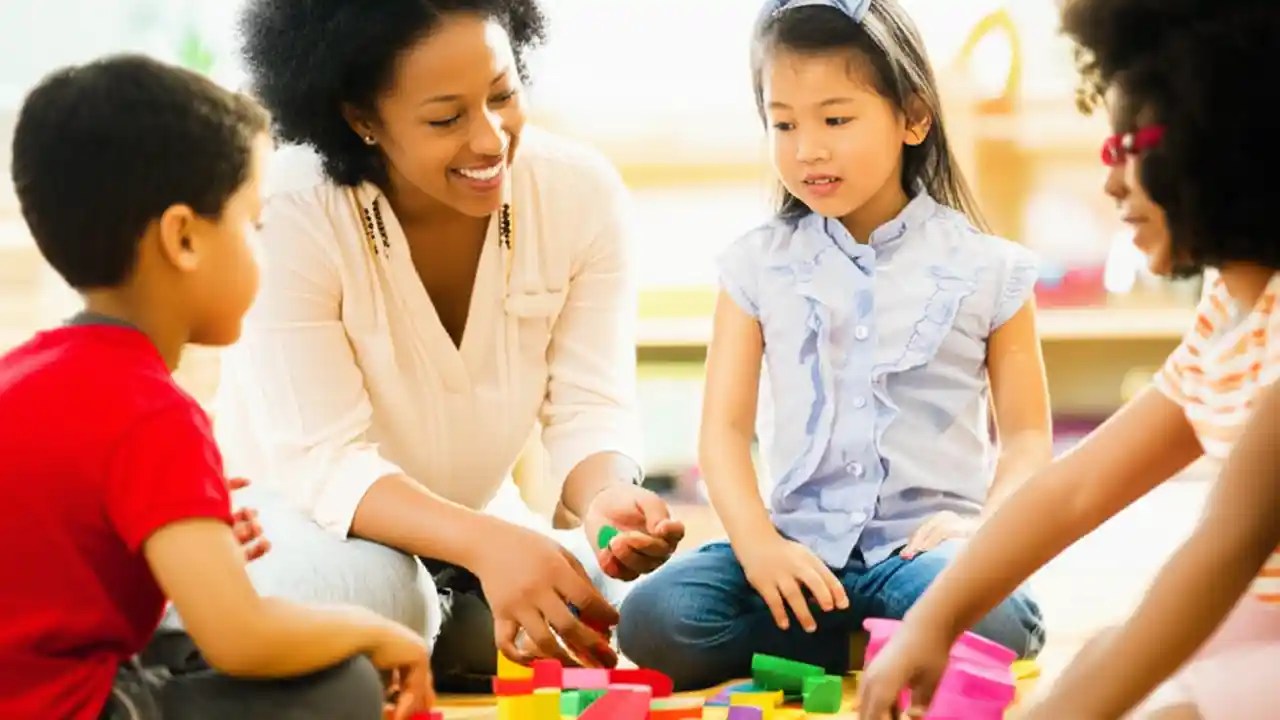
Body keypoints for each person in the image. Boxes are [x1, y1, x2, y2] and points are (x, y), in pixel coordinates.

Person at [212, 0, 684, 686]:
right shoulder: (288, 211)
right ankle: (439, 620)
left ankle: (444, 623)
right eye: (446, 118)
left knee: (597, 594)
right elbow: (325, 464)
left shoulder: (580, 194)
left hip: (473, 526)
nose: (491, 140)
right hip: (303, 525)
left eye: (503, 95)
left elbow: (590, 405)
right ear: (361, 117)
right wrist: (490, 547)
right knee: (385, 591)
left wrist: (607, 499)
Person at [857, 1, 1280, 717]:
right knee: (1105, 655)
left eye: (1128, 149)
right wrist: (931, 620)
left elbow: (1222, 546)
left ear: (1217, 141)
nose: (1111, 182)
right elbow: (1074, 490)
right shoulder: (1229, 314)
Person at [616, 0, 1050, 691]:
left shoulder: (991, 270)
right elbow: (723, 437)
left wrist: (983, 533)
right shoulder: (754, 267)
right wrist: (758, 550)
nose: (806, 148)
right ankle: (872, 644)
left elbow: (1027, 439)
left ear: (913, 116)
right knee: (655, 619)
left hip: (921, 554)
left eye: (835, 119)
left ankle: (844, 641)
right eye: (783, 123)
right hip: (796, 548)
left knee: (995, 615)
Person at [0, 55, 432, 720]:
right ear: (184, 238)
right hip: (77, 704)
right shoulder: (150, 408)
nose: (264, 247)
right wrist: (380, 632)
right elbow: (242, 638)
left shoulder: (21, 374)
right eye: (253, 223)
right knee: (344, 685)